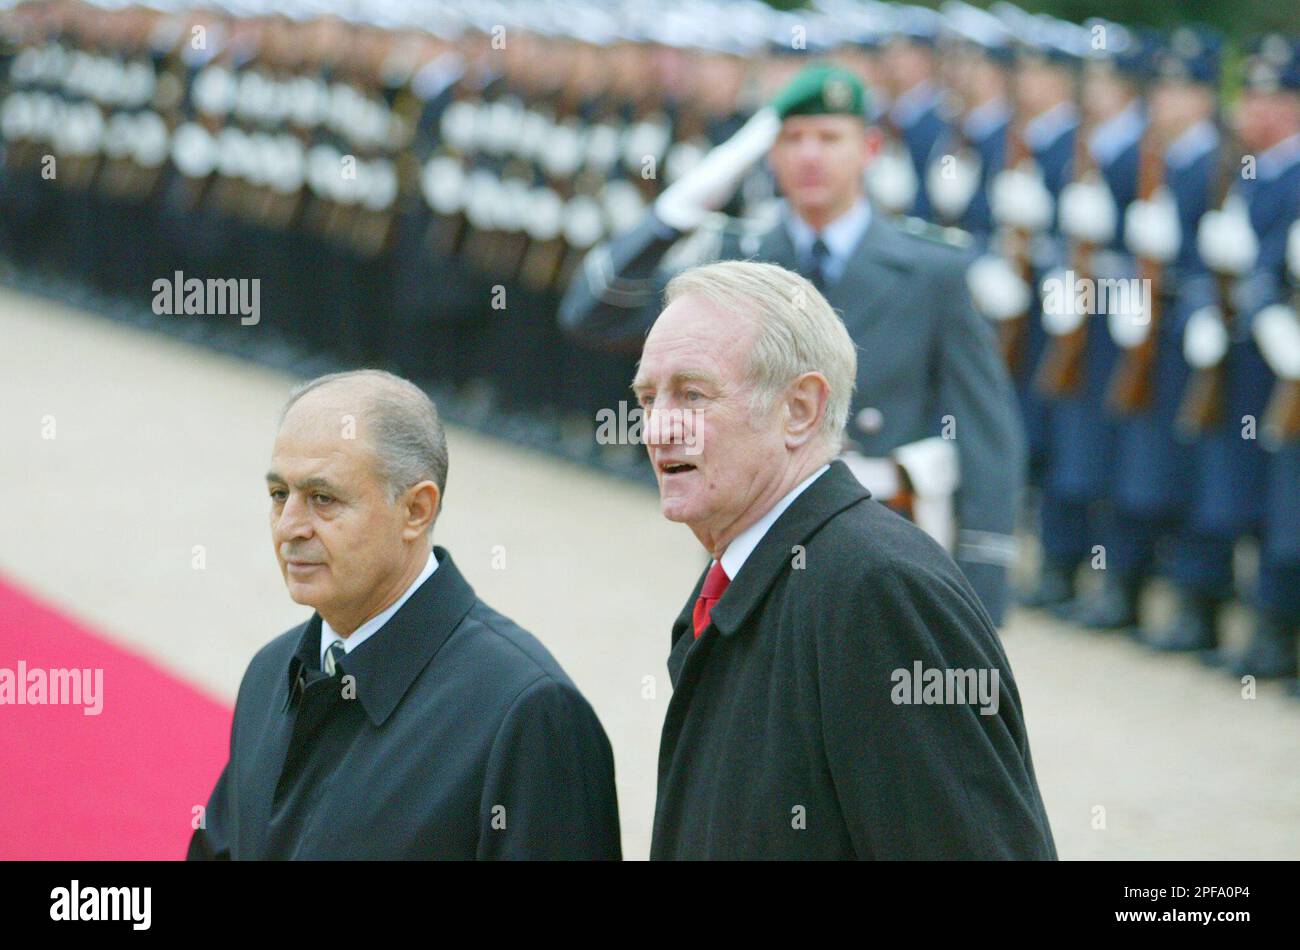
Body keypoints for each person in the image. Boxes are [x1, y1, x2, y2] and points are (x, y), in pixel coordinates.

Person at [560, 62, 1023, 626]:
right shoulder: (733, 257)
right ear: (766, 154)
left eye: (829, 138)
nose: (809, 156)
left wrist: (980, 578)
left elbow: (985, 430)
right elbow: (593, 314)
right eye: (791, 139)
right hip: (753, 540)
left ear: (869, 148)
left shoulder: (933, 269)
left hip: (885, 541)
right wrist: (675, 212)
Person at [636, 260, 1057, 860]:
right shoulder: (745, 569)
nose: (658, 427)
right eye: (648, 398)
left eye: (693, 394)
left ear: (801, 409)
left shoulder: (880, 591)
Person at [187, 369, 621, 859]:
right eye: (279, 495)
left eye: (322, 499)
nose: (289, 527)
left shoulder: (526, 714)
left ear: (416, 510)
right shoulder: (271, 673)